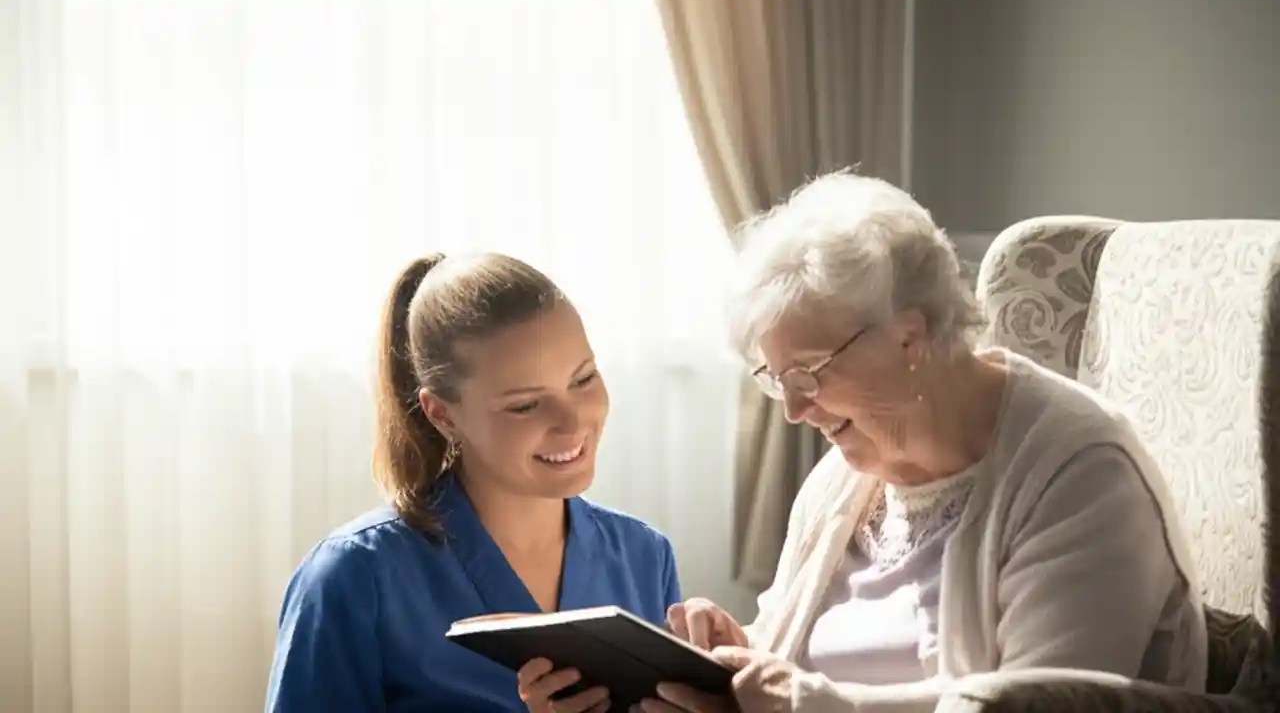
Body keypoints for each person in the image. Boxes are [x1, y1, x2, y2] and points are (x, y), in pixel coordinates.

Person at [640, 172, 1206, 713]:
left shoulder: (1084, 478)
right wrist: (736, 654)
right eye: (776, 379)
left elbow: (1034, 707)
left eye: (809, 373)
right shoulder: (845, 477)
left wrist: (807, 705)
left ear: (909, 338)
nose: (793, 411)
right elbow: (792, 670)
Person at [265, 253, 681, 712]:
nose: (573, 421)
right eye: (525, 406)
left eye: (583, 379)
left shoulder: (644, 556)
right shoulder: (355, 576)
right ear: (442, 414)